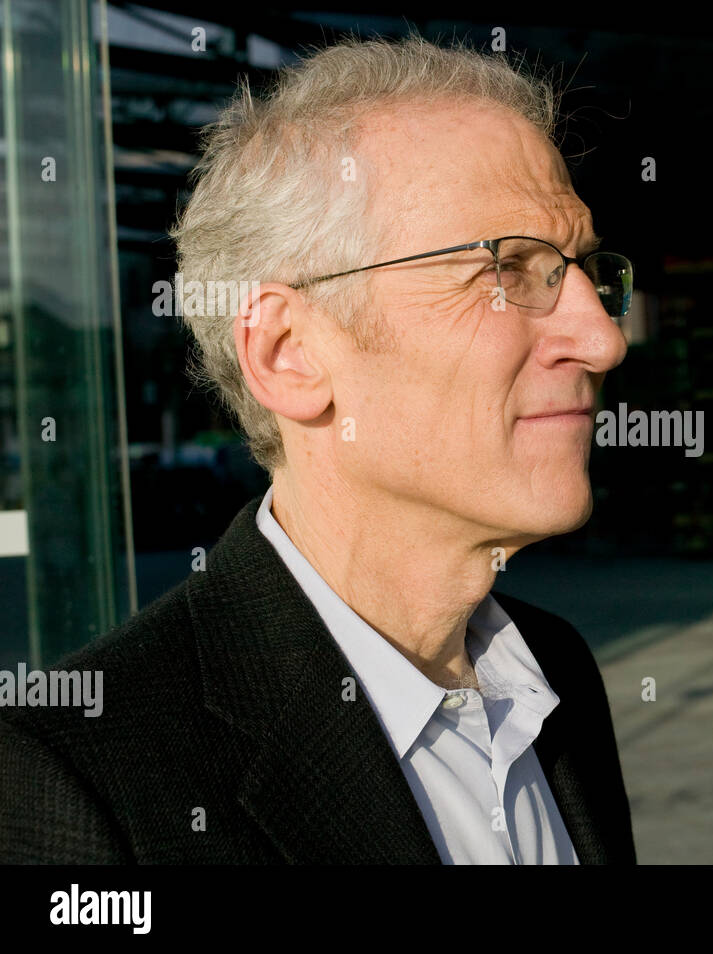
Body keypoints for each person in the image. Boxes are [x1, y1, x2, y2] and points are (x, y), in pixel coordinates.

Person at [0, 35, 636, 865]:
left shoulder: (557, 674)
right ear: (288, 354)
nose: (600, 338)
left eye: (587, 271)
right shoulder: (80, 785)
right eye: (509, 269)